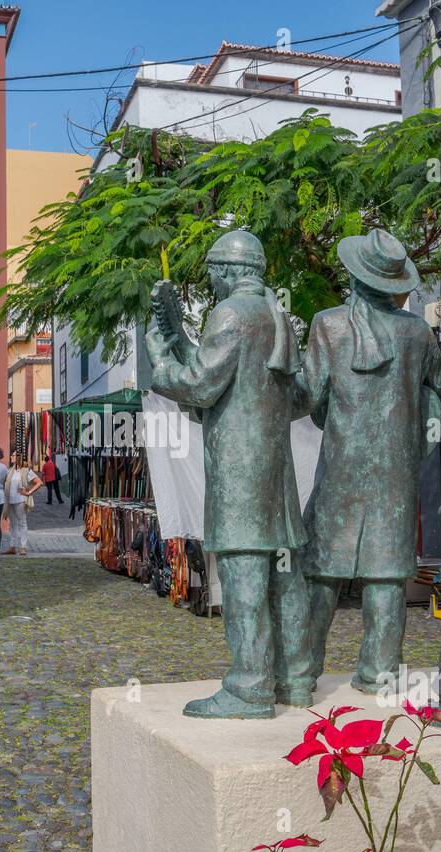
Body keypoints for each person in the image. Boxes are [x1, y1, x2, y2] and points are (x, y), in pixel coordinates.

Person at [146, 229, 314, 718]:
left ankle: (249, 687)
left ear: (224, 270)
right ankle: (295, 679)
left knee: (243, 579)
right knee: (283, 577)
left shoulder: (231, 314)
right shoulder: (277, 316)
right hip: (275, 471)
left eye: (212, 273)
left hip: (240, 473)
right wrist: (183, 341)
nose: (211, 283)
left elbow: (200, 384)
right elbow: (290, 397)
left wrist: (161, 357)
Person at [295, 228, 441, 694]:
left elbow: (310, 395)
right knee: (386, 576)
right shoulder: (417, 333)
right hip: (395, 473)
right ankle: (380, 673)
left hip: (342, 466)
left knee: (321, 569)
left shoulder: (328, 324)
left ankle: (301, 673)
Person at [4, 453, 42, 555]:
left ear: (19, 458)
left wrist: (29, 492)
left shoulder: (26, 471)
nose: (11, 457)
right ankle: (12, 546)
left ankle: (23, 547)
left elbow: (39, 482)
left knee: (22, 523)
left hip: (20, 500)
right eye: (11, 455)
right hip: (10, 500)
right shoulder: (10, 471)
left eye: (14, 455)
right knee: (12, 524)